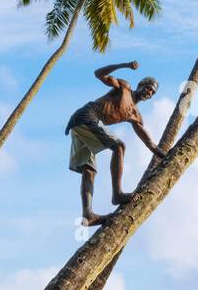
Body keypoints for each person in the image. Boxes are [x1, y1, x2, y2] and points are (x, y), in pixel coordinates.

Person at [66, 61, 166, 227]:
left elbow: (149, 142)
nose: (149, 92)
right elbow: (99, 73)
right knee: (119, 146)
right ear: (140, 85)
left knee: (89, 170)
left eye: (152, 92)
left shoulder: (135, 115)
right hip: (87, 116)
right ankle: (117, 194)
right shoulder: (124, 88)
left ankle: (88, 214)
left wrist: (162, 153)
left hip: (82, 125)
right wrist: (125, 65)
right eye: (147, 87)